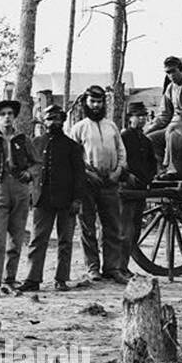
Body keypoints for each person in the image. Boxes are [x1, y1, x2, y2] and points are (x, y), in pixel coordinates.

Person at [21, 104, 87, 292]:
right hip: (42, 199)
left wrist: (77, 199)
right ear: (43, 121)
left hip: (66, 200)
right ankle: (32, 279)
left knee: (65, 241)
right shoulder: (35, 143)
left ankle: (61, 279)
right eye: (49, 119)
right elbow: (28, 169)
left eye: (57, 118)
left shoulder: (72, 146)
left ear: (63, 120)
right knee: (38, 239)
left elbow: (80, 175)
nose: (53, 122)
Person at [67, 86, 129, 284]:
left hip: (110, 181)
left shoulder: (111, 127)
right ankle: (93, 267)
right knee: (87, 226)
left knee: (112, 225)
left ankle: (112, 268)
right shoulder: (79, 128)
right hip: (87, 183)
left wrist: (117, 171)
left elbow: (121, 151)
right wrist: (88, 174)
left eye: (99, 102)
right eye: (92, 102)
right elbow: (73, 157)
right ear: (86, 103)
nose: (96, 105)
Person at [0, 99, 37, 296]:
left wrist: (29, 173)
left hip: (20, 190)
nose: (7, 117)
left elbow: (37, 163)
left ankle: (10, 279)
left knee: (16, 238)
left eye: (10, 114)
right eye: (2, 114)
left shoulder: (23, 139)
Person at [118, 102, 160, 275]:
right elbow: (119, 159)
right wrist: (127, 176)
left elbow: (152, 162)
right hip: (127, 188)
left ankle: (123, 266)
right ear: (130, 118)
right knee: (125, 230)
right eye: (138, 116)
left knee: (135, 229)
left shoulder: (145, 140)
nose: (142, 119)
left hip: (141, 189)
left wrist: (149, 178)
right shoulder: (124, 137)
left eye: (144, 116)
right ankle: (119, 267)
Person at [145, 56, 182, 176]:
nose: (170, 75)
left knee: (172, 134)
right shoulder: (170, 88)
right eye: (168, 72)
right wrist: (149, 129)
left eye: (173, 71)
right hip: (173, 125)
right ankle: (161, 170)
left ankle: (173, 170)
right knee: (151, 138)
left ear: (181, 71)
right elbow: (164, 115)